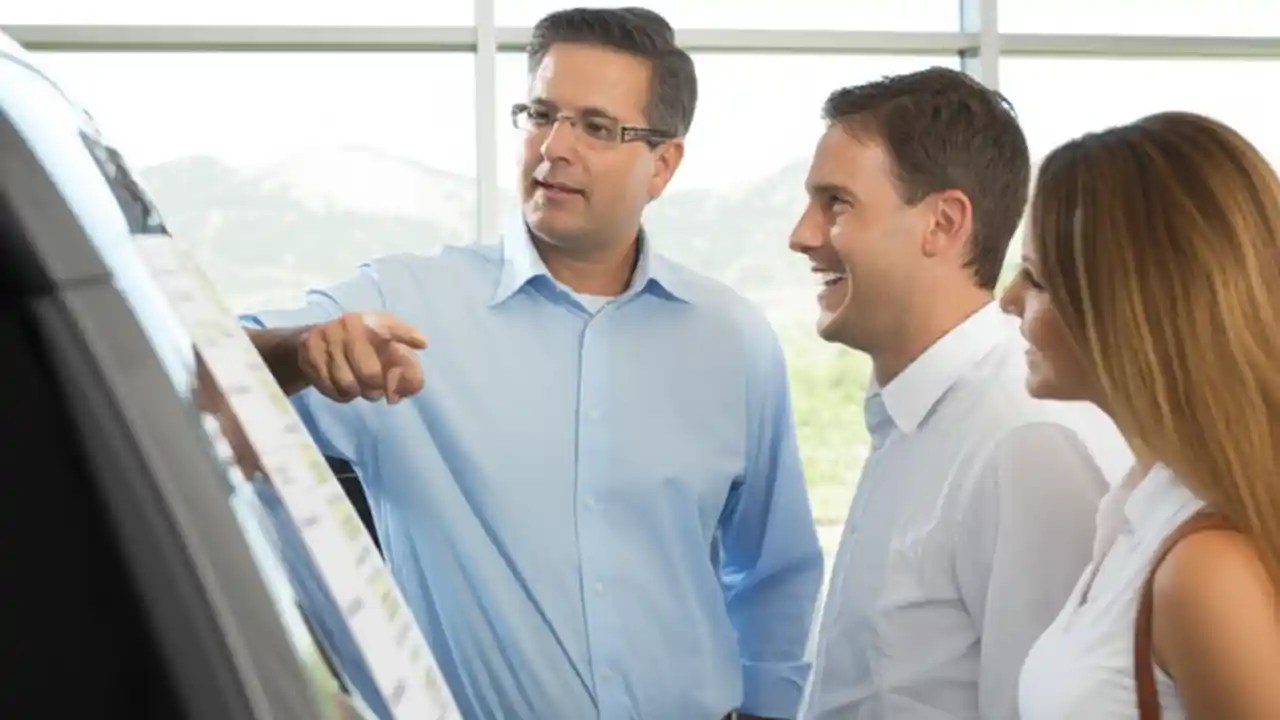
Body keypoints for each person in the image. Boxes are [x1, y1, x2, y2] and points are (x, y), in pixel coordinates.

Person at [242, 7, 823, 720]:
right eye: (540, 114)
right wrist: (300, 349)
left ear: (663, 164)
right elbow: (197, 364)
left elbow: (774, 572)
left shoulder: (735, 340)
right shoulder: (403, 305)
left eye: (596, 126)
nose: (554, 147)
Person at [790, 67, 1132, 719]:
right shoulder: (909, 417)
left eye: (835, 203)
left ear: (943, 223)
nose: (802, 235)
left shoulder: (1026, 439)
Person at [1006, 111, 1280, 719]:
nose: (1007, 299)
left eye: (1036, 278)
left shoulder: (1203, 569)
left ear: (1129, 307)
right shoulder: (1139, 515)